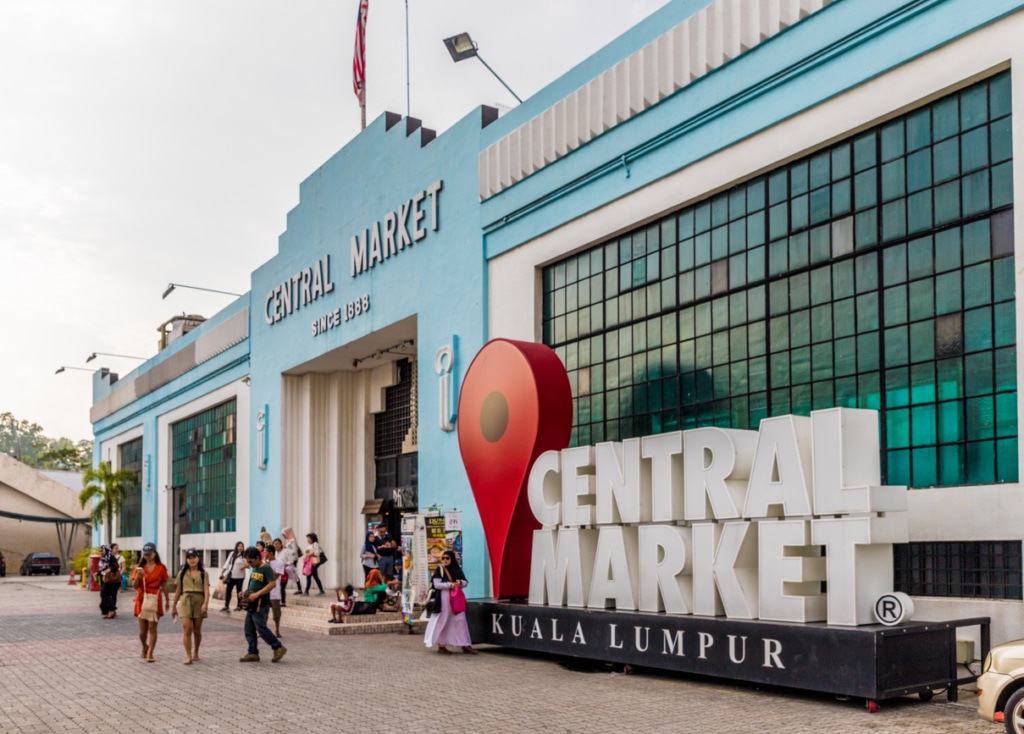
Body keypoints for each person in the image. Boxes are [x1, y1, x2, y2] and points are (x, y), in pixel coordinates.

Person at [423, 550, 477, 655]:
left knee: (460, 621)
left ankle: (465, 645)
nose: (445, 560)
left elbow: (465, 582)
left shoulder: (457, 569)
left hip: (456, 599)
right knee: (443, 621)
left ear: (452, 559)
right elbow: (436, 584)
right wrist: (449, 585)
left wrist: (460, 582)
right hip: (444, 600)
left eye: (447, 558)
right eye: (443, 558)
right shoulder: (440, 570)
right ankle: (441, 645)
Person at [239, 546, 286, 663]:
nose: (249, 564)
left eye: (251, 561)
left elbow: (272, 584)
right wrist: (246, 592)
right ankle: (252, 652)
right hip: (252, 603)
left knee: (261, 627)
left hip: (261, 604)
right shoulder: (254, 568)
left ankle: (278, 647)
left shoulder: (266, 568)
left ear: (257, 558)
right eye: (248, 562)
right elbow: (253, 583)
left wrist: (257, 594)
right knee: (249, 628)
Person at [170, 549, 210, 665]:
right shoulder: (182, 573)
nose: (192, 560)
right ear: (186, 560)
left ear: (198, 558)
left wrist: (205, 603)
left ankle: (196, 651)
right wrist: (174, 605)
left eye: (194, 557)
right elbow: (178, 590)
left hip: (199, 600)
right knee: (187, 629)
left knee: (197, 630)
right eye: (189, 558)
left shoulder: (203, 573)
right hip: (185, 600)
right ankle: (188, 656)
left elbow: (206, 590)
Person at [132, 542, 170, 663]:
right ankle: (144, 646)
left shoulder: (161, 568)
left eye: (150, 553)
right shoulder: (139, 568)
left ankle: (150, 652)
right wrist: (138, 577)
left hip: (155, 598)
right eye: (146, 554)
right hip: (142, 598)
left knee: (152, 627)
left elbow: (164, 584)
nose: (148, 556)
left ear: (155, 553)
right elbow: (134, 586)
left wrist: (167, 600)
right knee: (142, 631)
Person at [265, 544, 284, 638]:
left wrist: (268, 567)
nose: (264, 554)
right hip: (265, 590)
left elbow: (276, 576)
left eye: (266, 552)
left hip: (275, 591)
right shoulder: (263, 562)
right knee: (264, 611)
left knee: (276, 612)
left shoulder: (279, 562)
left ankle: (277, 630)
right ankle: (263, 630)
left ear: (271, 553)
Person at [221, 541, 247, 612]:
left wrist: (244, 566)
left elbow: (248, 565)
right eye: (239, 546)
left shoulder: (244, 555)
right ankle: (226, 606)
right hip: (231, 576)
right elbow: (227, 563)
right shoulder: (232, 554)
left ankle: (239, 605)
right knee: (228, 591)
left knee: (239, 591)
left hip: (240, 577)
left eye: (241, 546)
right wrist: (222, 572)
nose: (240, 547)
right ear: (236, 547)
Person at [98, 544, 120, 619]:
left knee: (104, 594)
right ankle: (108, 611)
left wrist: (108, 571)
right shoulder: (103, 558)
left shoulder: (110, 557)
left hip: (112, 580)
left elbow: (116, 566)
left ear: (106, 550)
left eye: (101, 550)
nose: (100, 552)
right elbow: (102, 569)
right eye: (99, 550)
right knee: (108, 595)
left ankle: (111, 609)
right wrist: (98, 573)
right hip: (106, 580)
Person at [281, 527, 303, 595]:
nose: (283, 536)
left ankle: (299, 589)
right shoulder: (288, 540)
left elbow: (294, 551)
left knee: (292, 573)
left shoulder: (292, 541)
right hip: (288, 559)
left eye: (284, 534)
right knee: (289, 572)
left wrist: (287, 551)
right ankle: (283, 587)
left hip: (292, 559)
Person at [273, 538, 293, 607]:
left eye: (278, 544)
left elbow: (291, 560)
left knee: (282, 587)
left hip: (283, 572)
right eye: (275, 544)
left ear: (281, 544)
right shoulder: (274, 552)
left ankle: (283, 602)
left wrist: (285, 564)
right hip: (275, 572)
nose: (276, 545)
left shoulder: (286, 551)